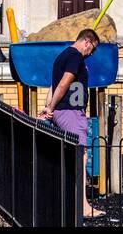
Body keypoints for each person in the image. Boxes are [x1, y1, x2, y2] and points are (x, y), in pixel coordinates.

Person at [41, 28, 100, 219]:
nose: (91, 54)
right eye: (92, 49)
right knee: (80, 156)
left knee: (71, 156)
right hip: (71, 112)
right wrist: (50, 108)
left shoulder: (63, 55)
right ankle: (82, 207)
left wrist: (49, 107)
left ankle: (72, 202)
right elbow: (64, 83)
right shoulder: (75, 56)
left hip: (64, 111)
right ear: (87, 41)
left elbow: (54, 85)